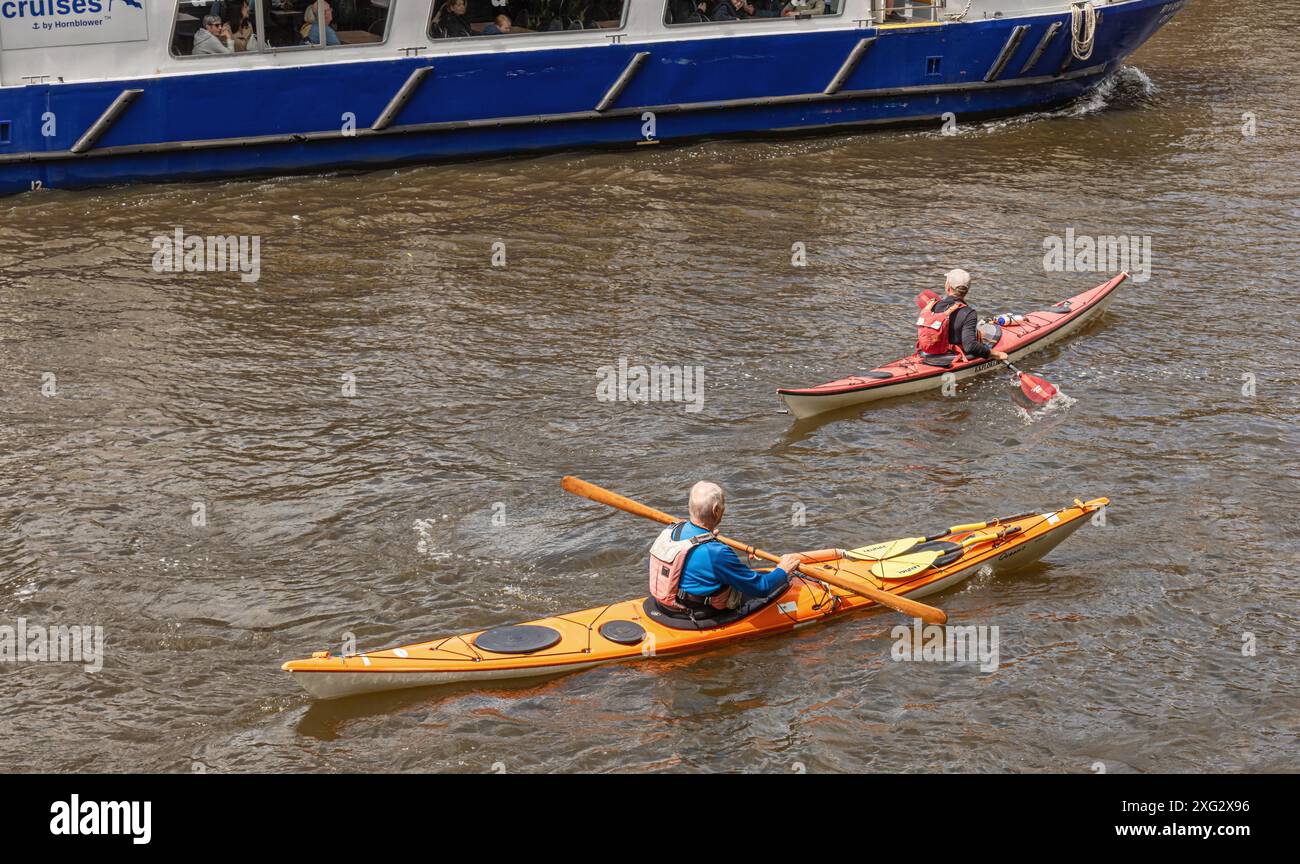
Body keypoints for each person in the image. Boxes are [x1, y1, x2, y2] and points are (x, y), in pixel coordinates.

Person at [647, 481, 803, 618]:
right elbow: (762, 588)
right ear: (716, 510)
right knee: (774, 582)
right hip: (700, 611)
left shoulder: (673, 529)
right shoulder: (717, 553)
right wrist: (783, 570)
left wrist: (708, 538)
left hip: (667, 603)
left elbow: (693, 552)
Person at [916, 268, 1009, 362]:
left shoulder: (933, 306)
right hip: (952, 358)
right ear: (967, 290)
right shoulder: (968, 313)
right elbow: (970, 346)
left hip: (928, 354)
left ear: (947, 286)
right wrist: (996, 354)